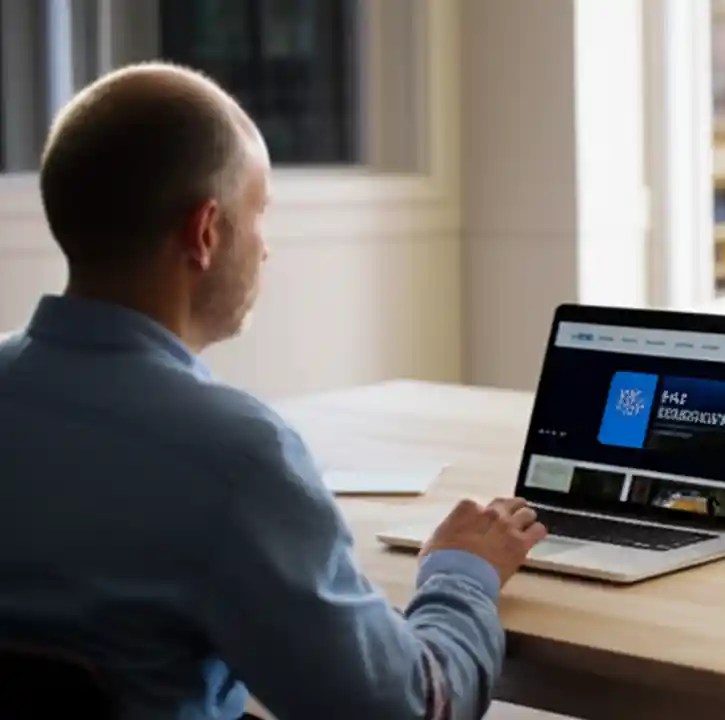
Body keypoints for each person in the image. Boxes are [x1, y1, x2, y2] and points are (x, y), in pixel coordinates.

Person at [0, 62, 546, 719]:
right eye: (260, 213)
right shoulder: (232, 458)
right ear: (205, 232)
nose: (266, 249)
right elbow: (406, 708)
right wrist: (460, 572)